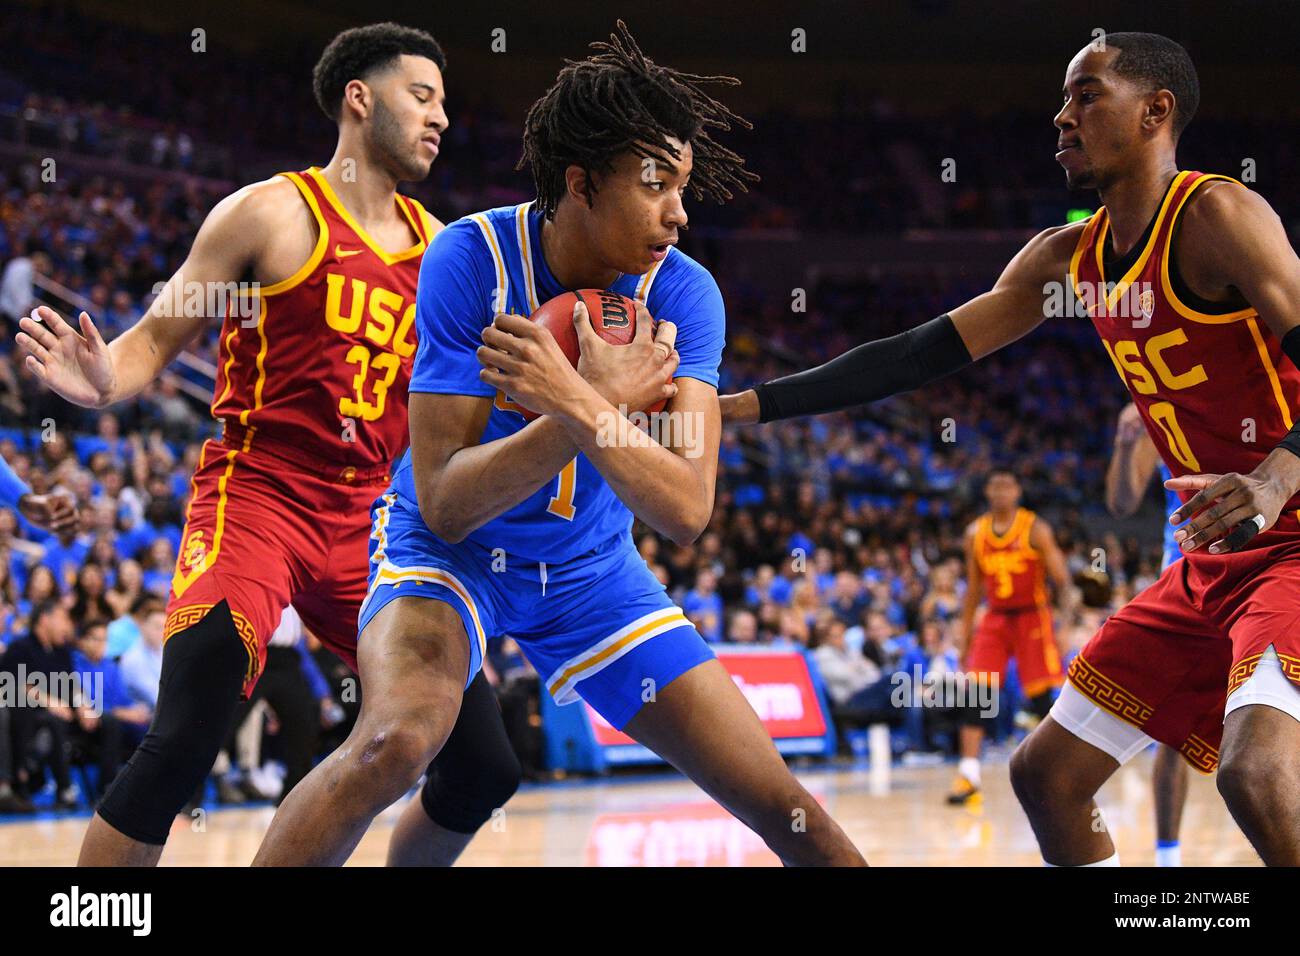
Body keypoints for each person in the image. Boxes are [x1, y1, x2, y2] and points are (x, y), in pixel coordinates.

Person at [252, 21, 864, 867]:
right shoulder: (470, 257)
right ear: (580, 182)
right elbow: (449, 500)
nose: (679, 214)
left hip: (593, 573)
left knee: (791, 810)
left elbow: (686, 509)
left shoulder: (686, 296)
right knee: (392, 745)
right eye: (657, 187)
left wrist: (577, 399)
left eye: (683, 188)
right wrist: (592, 409)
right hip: (448, 556)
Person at [721, 33, 1300, 865]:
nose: (1062, 116)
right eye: (1064, 99)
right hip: (1212, 563)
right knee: (1047, 775)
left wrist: (1279, 474)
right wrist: (746, 405)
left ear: (1155, 112)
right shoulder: (1069, 257)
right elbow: (916, 354)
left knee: (1253, 775)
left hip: (1294, 543)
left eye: (1087, 95)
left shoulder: (1218, 216)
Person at [18, 22, 521, 867]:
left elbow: (468, 407)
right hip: (262, 494)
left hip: (377, 519)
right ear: (359, 99)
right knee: (182, 739)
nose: (440, 119)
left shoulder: (447, 250)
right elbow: (152, 337)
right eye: (422, 96)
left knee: (485, 765)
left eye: (445, 103)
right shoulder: (269, 211)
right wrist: (104, 381)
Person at [948, 469, 1075, 806]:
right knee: (977, 692)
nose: (1001, 491)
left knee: (1040, 698)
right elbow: (973, 590)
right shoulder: (975, 533)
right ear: (987, 491)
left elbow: (1062, 580)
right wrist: (964, 636)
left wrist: (1062, 626)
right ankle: (968, 774)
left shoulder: (1035, 528)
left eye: (1007, 485)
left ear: (1018, 491)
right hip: (996, 618)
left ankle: (1061, 770)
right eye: (995, 485)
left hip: (1033, 616)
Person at [1105, 402, 1187, 866]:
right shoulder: (1157, 409)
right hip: (1184, 578)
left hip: (1269, 569)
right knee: (1171, 732)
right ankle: (1167, 859)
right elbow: (1120, 504)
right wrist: (1126, 440)